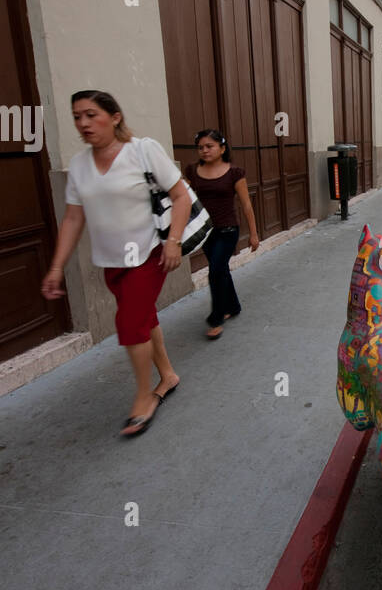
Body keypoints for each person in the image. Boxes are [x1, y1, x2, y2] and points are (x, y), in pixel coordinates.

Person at [41, 90, 189, 437]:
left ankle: (143, 398)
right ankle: (167, 375)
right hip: (111, 262)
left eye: (91, 114)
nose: (83, 123)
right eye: (77, 116)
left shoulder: (142, 150)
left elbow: (179, 195)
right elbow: (74, 219)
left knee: (130, 324)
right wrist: (56, 267)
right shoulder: (79, 165)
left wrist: (174, 241)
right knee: (143, 318)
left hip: (147, 255)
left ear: (115, 117)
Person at [186, 130, 259, 339]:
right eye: (201, 147)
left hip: (228, 230)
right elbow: (183, 199)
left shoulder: (235, 173)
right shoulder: (192, 171)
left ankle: (216, 318)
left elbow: (246, 204)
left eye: (209, 146)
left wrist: (253, 234)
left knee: (215, 271)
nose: (205, 150)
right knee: (221, 269)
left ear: (222, 148)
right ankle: (233, 305)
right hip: (205, 231)